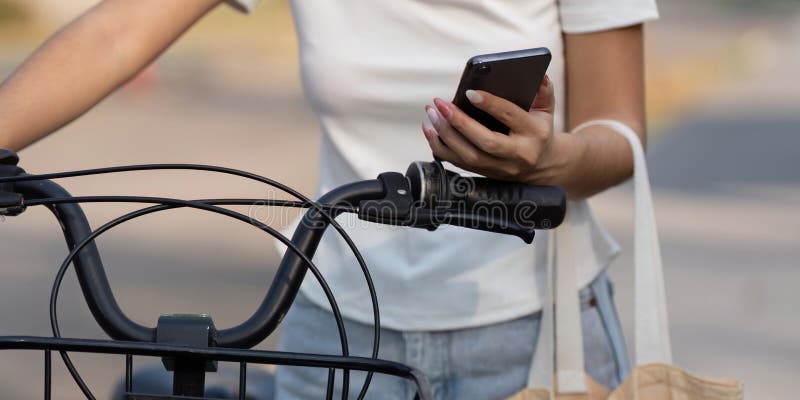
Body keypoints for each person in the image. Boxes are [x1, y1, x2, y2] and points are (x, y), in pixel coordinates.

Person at [0, 0, 658, 398]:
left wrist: (552, 160)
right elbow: (119, 30)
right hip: (334, 328)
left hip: (533, 335)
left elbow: (620, 132)